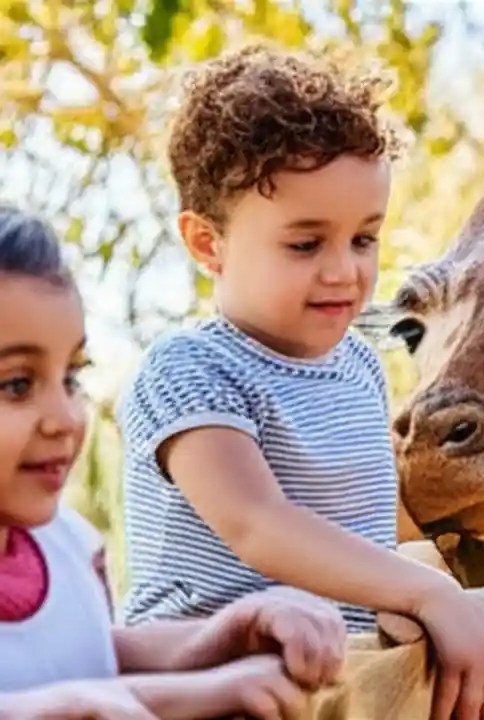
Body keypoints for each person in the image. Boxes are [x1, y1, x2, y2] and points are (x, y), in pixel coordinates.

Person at [114, 44, 484, 720]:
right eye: (305, 244)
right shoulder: (189, 371)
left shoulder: (358, 365)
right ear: (207, 243)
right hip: (206, 681)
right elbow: (259, 525)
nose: (345, 272)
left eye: (364, 239)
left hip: (341, 672)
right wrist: (427, 598)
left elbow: (375, 534)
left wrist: (446, 591)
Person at [0, 206, 347, 719]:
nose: (66, 418)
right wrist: (199, 694)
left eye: (71, 377)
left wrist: (225, 634)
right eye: (17, 384)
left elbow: (86, 656)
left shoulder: (69, 549)